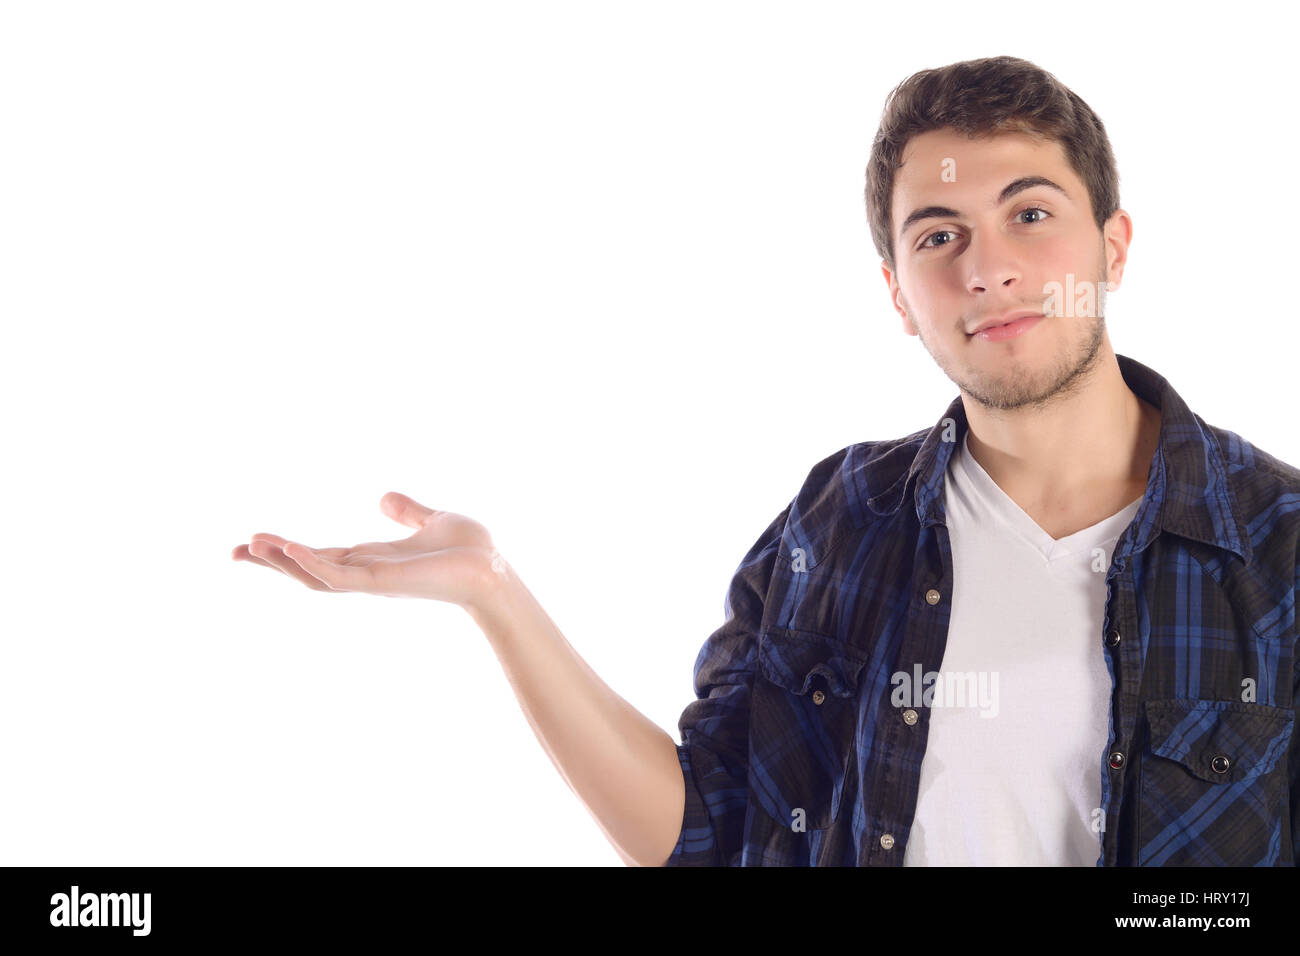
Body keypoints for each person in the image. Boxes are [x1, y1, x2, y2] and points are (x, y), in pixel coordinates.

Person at [232, 55, 1300, 866]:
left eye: (1030, 214)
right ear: (896, 294)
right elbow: (708, 827)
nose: (988, 269)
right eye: (938, 236)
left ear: (1112, 246)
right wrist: (496, 596)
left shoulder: (1278, 546)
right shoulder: (841, 519)